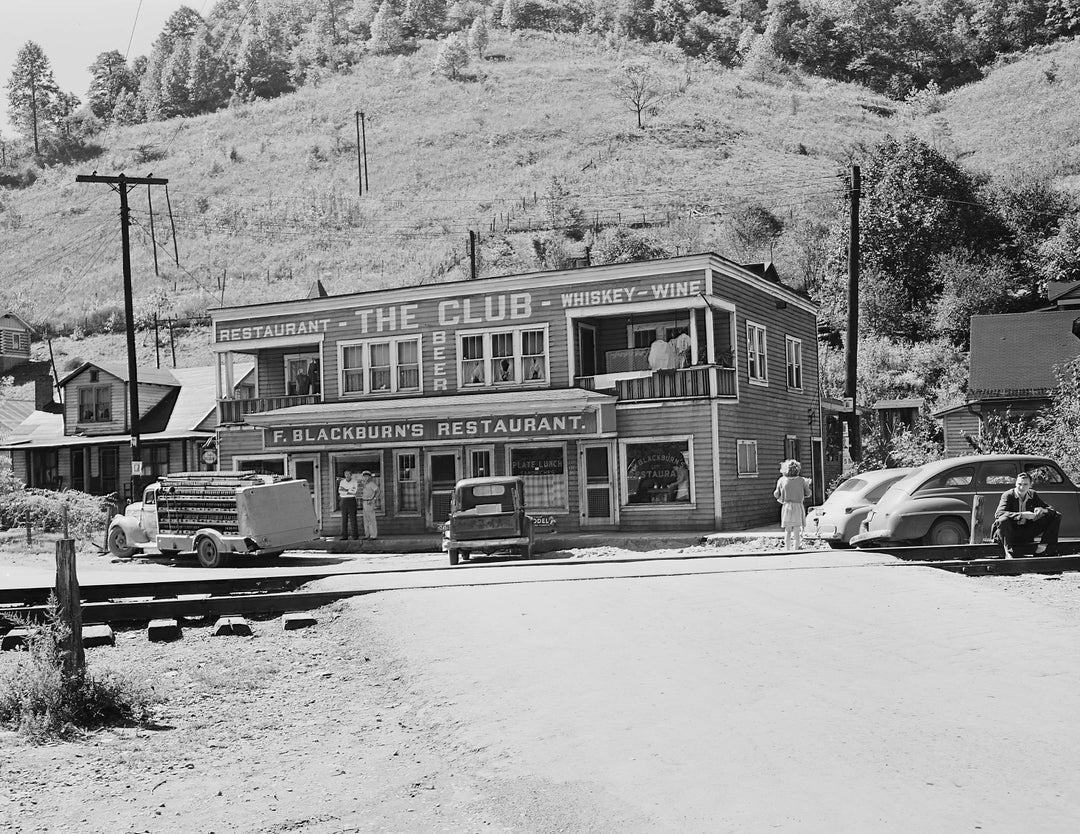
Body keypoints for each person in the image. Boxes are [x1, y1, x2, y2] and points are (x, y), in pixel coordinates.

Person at [991, 471, 1062, 559]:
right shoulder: (1008, 495)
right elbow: (999, 514)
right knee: (1003, 520)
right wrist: (1022, 515)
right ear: (1015, 483)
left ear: (1030, 485)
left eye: (1025, 484)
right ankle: (1009, 553)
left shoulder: (1032, 494)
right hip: (1009, 533)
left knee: (1056, 516)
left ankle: (1042, 549)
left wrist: (1043, 509)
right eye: (1019, 484)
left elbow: (1052, 510)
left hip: (1025, 531)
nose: (1022, 487)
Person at [773, 459, 812, 550]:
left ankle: (787, 549)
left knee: (787, 530)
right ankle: (796, 548)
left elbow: (776, 494)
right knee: (797, 530)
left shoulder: (781, 480)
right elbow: (808, 493)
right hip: (798, 506)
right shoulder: (801, 480)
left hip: (786, 506)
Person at [359, 470, 382, 540]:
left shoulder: (372, 484)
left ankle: (373, 535)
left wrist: (373, 499)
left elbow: (378, 491)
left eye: (367, 476)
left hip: (369, 502)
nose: (366, 478)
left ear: (369, 477)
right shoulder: (363, 484)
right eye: (364, 476)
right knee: (366, 520)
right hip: (364, 501)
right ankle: (367, 535)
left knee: (371, 519)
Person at [338, 470, 359, 540]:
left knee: (353, 519)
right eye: (346, 474)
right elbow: (340, 491)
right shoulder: (342, 482)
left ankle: (355, 536)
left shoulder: (354, 482)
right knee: (344, 519)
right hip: (343, 501)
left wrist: (345, 490)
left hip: (351, 500)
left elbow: (354, 492)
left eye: (348, 474)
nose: (347, 476)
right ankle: (344, 536)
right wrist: (348, 491)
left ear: (351, 475)